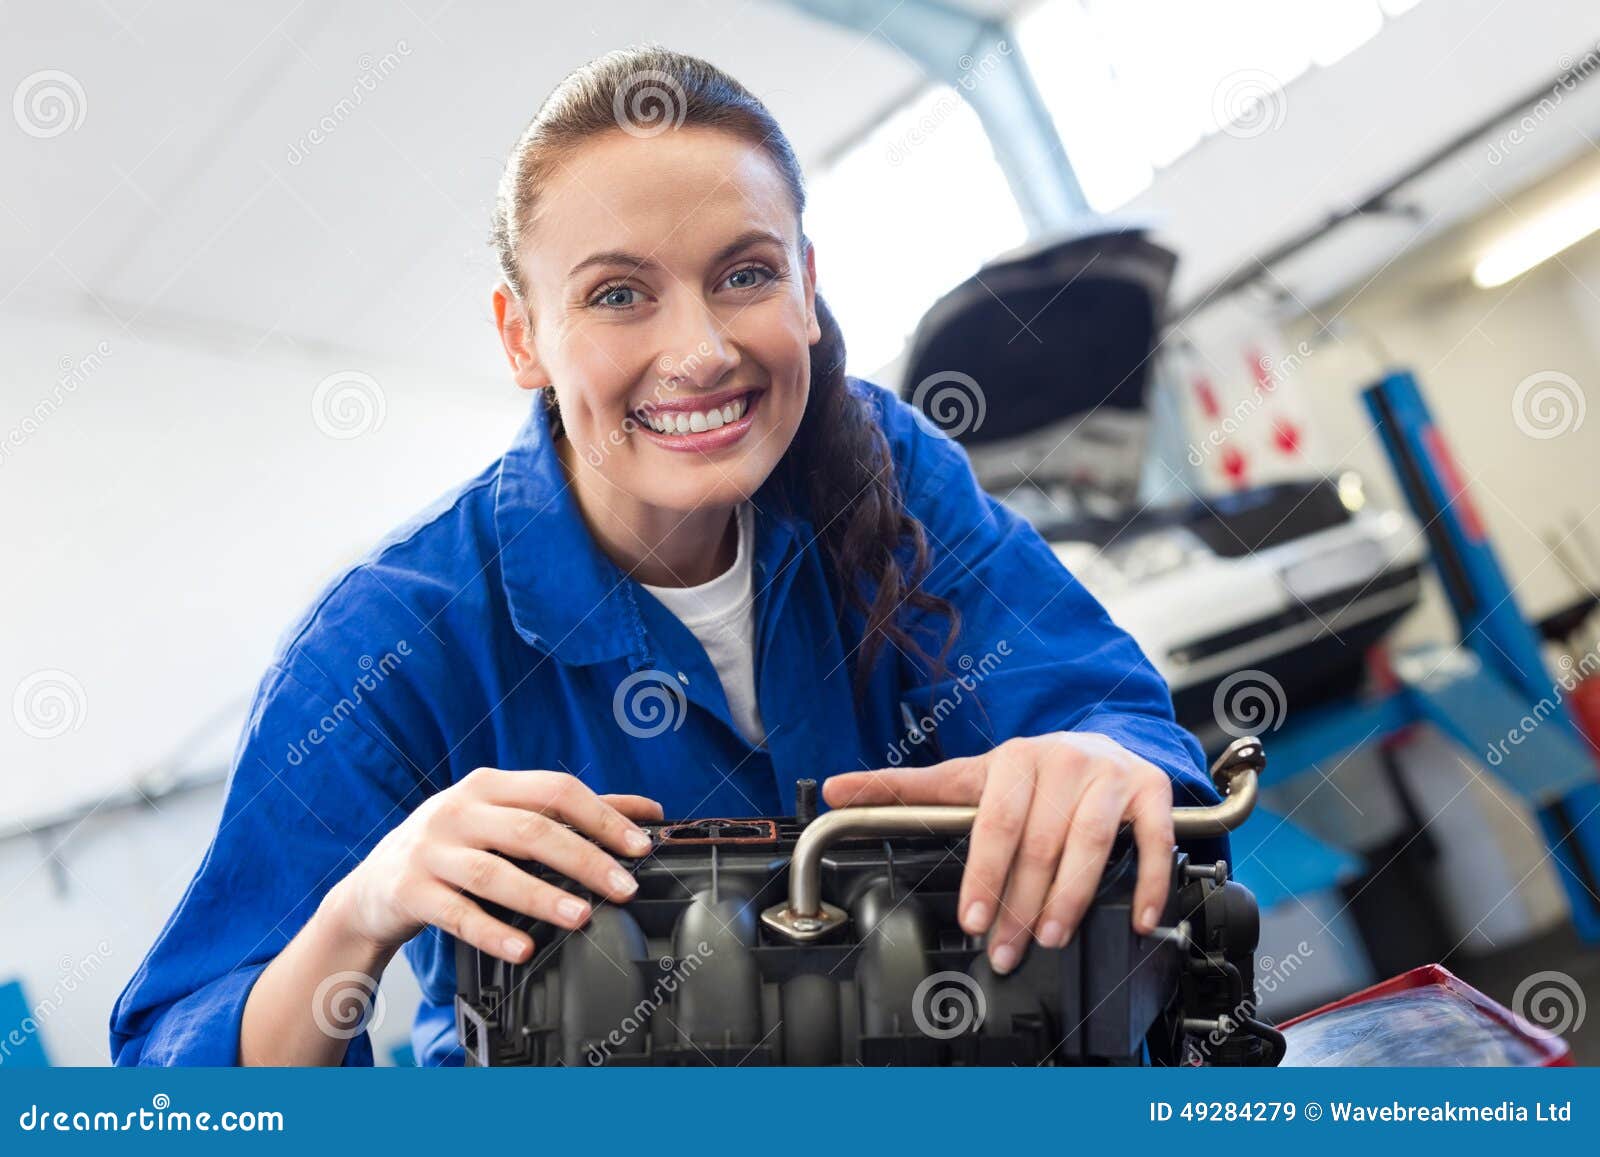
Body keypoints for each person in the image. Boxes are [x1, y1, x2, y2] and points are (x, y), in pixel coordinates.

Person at [110, 46, 1216, 1067]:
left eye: (744, 274)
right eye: (618, 295)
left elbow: (1128, 730)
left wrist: (1102, 763)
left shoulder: (889, 465)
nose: (698, 350)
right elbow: (176, 1083)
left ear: (807, 282)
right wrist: (364, 908)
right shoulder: (396, 636)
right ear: (519, 336)